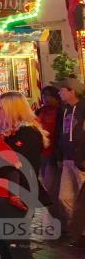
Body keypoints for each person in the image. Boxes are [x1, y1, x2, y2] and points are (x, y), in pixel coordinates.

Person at [0, 91, 47, 259]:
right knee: (3, 247)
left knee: (17, 248)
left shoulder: (28, 133)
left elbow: (11, 162)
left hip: (16, 196)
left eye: (1, 107)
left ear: (13, 109)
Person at [57, 78, 85, 232]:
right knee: (65, 196)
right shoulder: (65, 109)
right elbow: (62, 133)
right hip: (68, 157)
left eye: (62, 90)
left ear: (72, 91)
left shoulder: (83, 108)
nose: (59, 93)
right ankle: (78, 227)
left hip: (81, 158)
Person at [36, 85, 62, 215]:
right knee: (47, 183)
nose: (46, 98)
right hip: (41, 152)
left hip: (54, 153)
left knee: (51, 185)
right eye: (44, 95)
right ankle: (53, 214)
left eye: (48, 95)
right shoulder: (40, 111)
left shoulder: (61, 112)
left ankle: (56, 215)